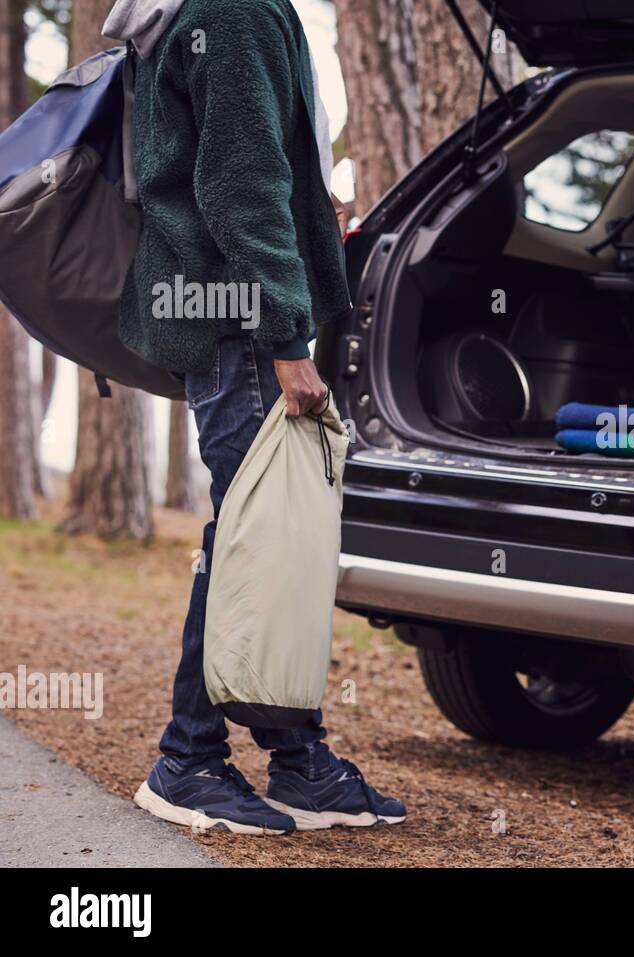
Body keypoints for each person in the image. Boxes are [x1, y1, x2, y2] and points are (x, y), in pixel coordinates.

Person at [103, 0, 405, 834]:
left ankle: (297, 762)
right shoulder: (231, 12)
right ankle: (188, 759)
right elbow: (241, 182)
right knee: (248, 534)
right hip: (237, 322)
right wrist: (285, 333)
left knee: (261, 533)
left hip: (228, 313)